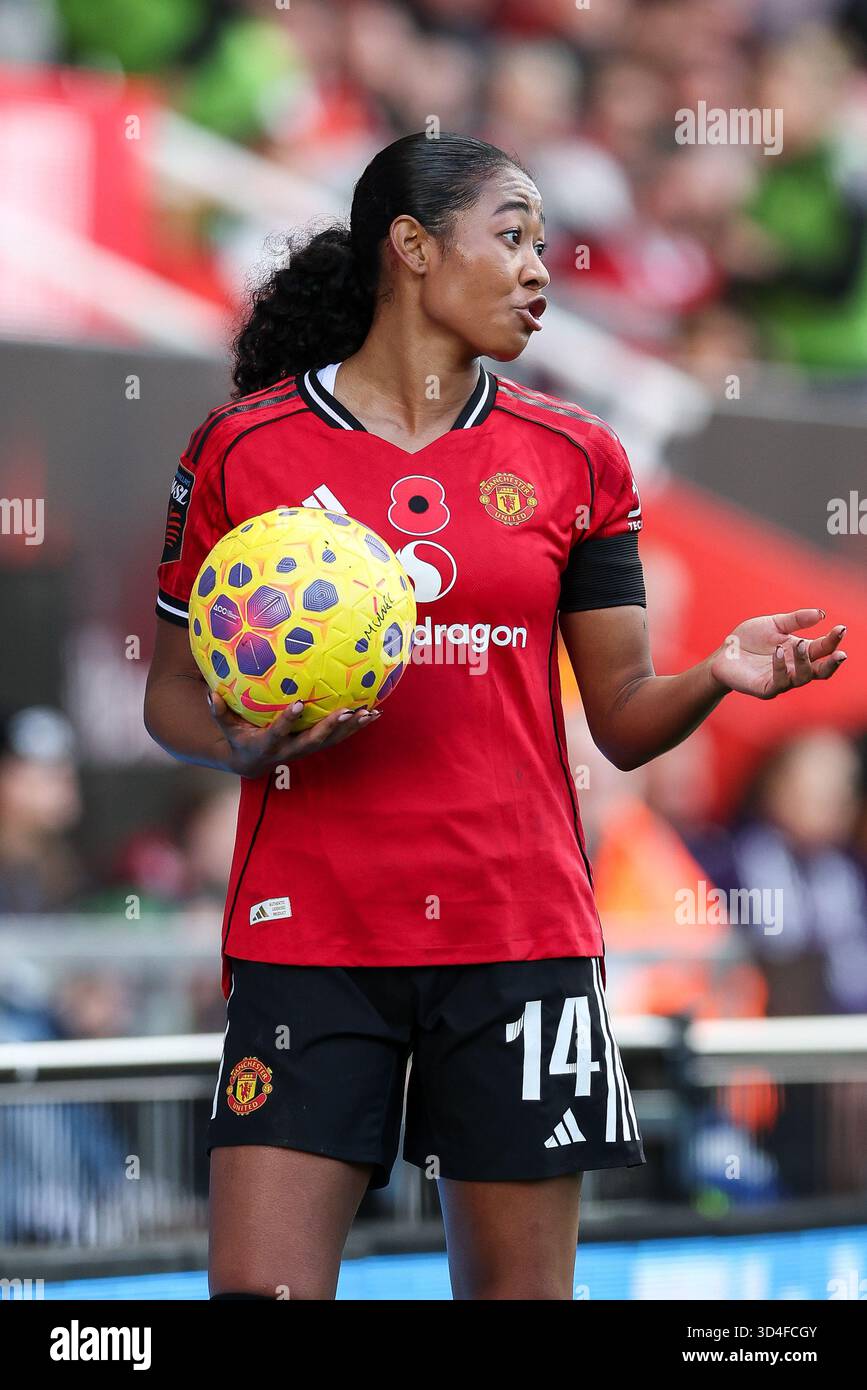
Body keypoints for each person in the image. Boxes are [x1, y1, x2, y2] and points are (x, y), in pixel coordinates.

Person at [143, 131, 848, 1301]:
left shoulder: (580, 456)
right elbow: (170, 689)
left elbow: (619, 715)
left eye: (546, 246)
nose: (540, 271)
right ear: (411, 250)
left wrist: (718, 673)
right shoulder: (242, 448)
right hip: (311, 934)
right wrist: (240, 737)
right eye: (511, 236)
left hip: (518, 932)